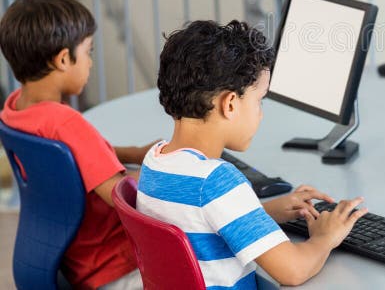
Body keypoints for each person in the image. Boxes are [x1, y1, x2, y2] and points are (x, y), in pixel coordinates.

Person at [137, 20, 367, 288]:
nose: (261, 113)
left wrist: (260, 211)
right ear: (230, 104)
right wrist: (324, 237)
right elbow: (293, 270)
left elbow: (200, 220)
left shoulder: (155, 161)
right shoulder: (216, 181)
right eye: (259, 100)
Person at [0, 0, 149, 289]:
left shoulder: (15, 110)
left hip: (73, 258)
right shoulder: (67, 123)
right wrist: (164, 169)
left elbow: (72, 158)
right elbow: (122, 193)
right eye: (89, 52)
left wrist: (133, 152)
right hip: (116, 267)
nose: (91, 63)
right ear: (64, 59)